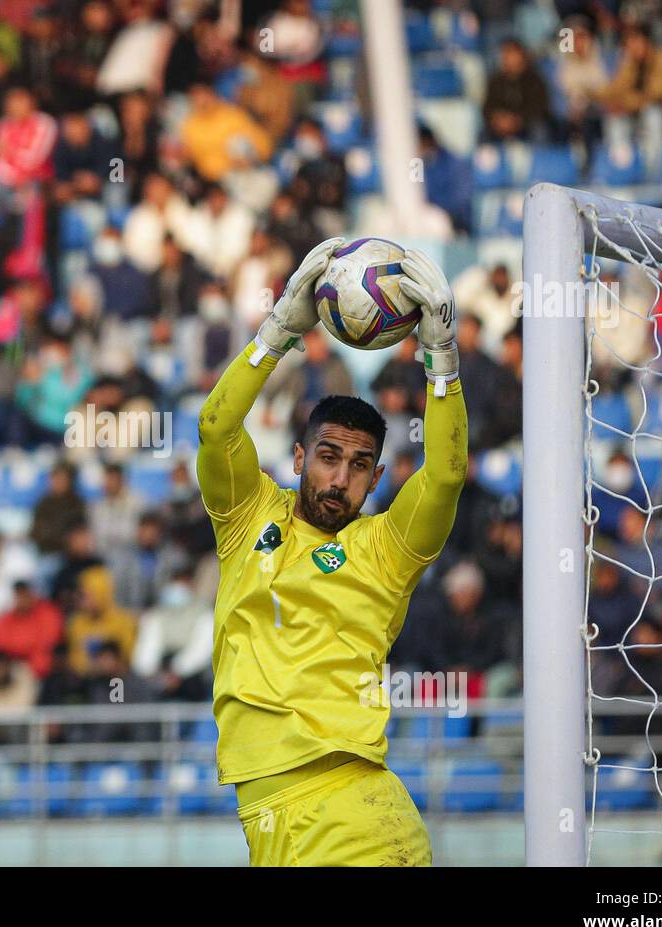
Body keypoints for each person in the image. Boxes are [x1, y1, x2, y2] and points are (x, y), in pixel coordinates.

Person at [198, 237, 466, 866]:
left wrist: (443, 362)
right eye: (327, 456)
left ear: (376, 479)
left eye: (359, 465)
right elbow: (215, 428)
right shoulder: (246, 518)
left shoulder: (386, 550)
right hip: (279, 815)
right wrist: (278, 331)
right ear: (299, 457)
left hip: (349, 816)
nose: (340, 478)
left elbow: (447, 475)